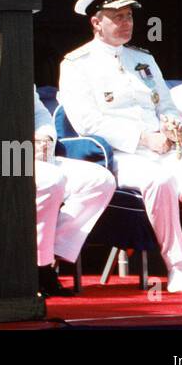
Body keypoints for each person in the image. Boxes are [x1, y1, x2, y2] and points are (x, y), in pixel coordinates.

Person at [57, 0, 182, 293]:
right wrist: (143, 138)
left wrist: (173, 125)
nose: (125, 22)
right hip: (122, 154)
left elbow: (169, 105)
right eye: (117, 16)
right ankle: (176, 266)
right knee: (158, 182)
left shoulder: (144, 60)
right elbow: (87, 122)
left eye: (129, 15)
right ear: (96, 22)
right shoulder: (77, 65)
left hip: (163, 149)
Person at [32, 87, 116, 296]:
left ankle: (43, 259)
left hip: (36, 156)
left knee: (100, 180)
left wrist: (45, 138)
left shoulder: (16, 66)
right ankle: (40, 269)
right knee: (51, 179)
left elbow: (39, 113)